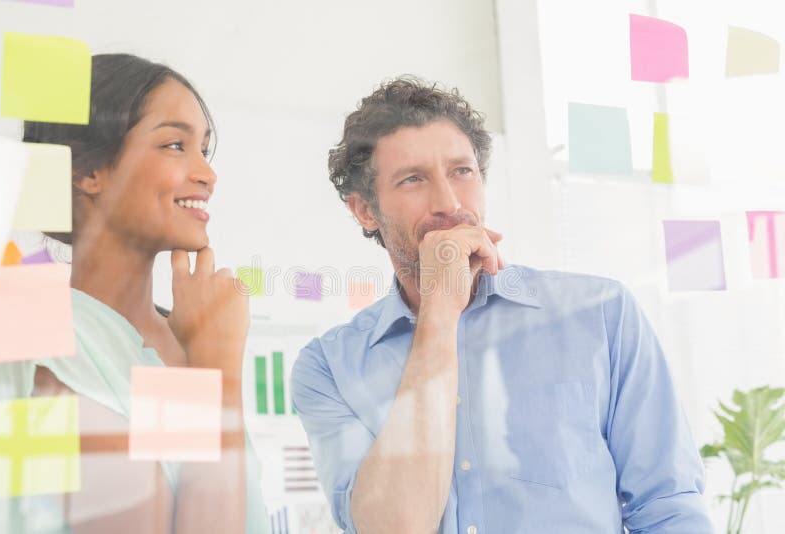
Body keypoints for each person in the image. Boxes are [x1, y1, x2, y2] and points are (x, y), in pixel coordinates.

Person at [291, 77, 714, 533]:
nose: (450, 203)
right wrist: (439, 311)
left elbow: (669, 507)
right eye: (413, 179)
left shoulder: (603, 313)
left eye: (462, 171)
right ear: (365, 211)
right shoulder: (329, 368)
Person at [0, 54, 269, 534]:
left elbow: (189, 490)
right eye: (175, 145)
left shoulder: (181, 337)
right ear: (87, 171)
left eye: (204, 149)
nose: (207, 173)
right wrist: (217, 369)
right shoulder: (44, 339)